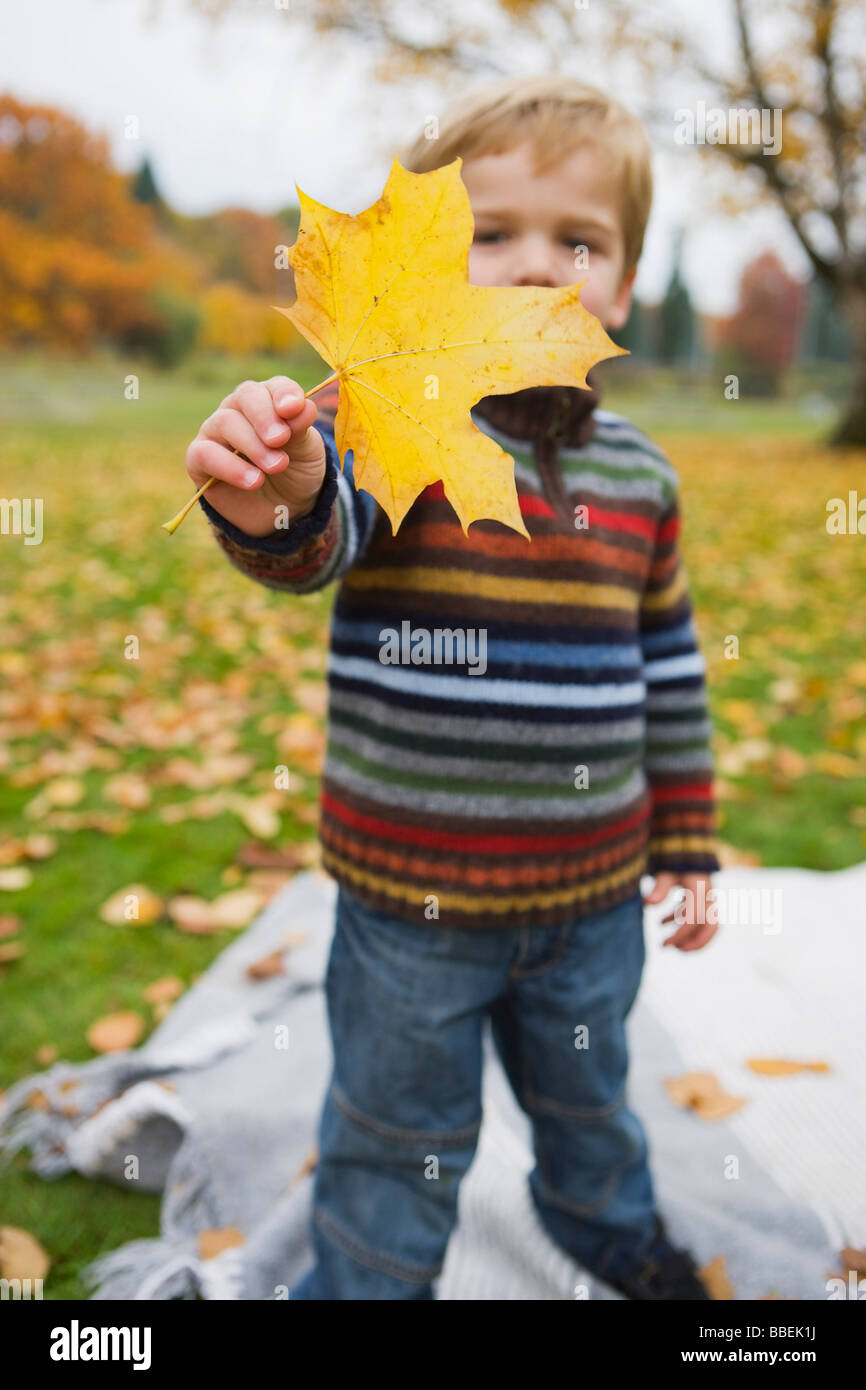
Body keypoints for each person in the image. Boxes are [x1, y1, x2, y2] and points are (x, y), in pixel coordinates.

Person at [184, 74, 722, 1300]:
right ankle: (369, 1281)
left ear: (624, 282)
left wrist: (683, 839)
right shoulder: (384, 433)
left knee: (589, 1099)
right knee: (394, 1133)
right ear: (429, 262)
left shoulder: (641, 475)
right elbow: (316, 544)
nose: (536, 263)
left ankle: (603, 1223)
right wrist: (275, 498)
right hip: (406, 901)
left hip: (589, 899)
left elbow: (669, 664)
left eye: (576, 240)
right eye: (491, 233)